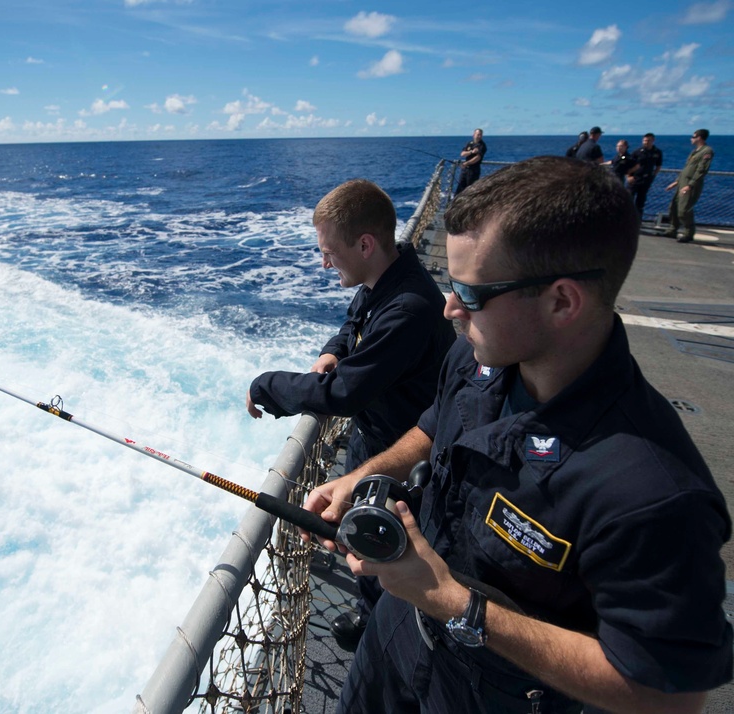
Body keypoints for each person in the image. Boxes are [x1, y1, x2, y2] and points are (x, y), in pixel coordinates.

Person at [302, 156, 732, 713]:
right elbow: (435, 427)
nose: (449, 307)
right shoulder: (476, 355)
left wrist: (453, 601)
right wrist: (363, 475)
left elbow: (663, 695)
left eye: (472, 293)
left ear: (561, 301)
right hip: (396, 638)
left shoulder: (652, 493)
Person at [247, 178, 455, 648]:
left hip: (400, 451)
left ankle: (386, 635)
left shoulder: (409, 307)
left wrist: (267, 385)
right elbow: (353, 321)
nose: (323, 262)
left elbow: (342, 393)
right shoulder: (386, 276)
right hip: (373, 433)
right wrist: (332, 350)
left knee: (388, 545)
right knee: (361, 536)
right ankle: (369, 612)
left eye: (329, 252)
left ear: (365, 244)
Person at [665, 128, 714, 243]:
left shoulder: (706, 151)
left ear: (699, 138)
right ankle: (673, 229)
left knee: (684, 209)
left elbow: (701, 170)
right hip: (682, 182)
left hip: (690, 184)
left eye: (693, 137)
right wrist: (676, 181)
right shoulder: (695, 152)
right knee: (674, 207)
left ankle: (688, 233)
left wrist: (690, 185)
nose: (691, 139)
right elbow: (687, 168)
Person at [626, 133, 663, 218]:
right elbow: (628, 165)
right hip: (635, 179)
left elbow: (658, 165)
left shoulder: (657, 152)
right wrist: (629, 176)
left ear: (653, 140)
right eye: (645, 140)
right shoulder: (637, 152)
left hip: (646, 180)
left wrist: (653, 175)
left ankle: (638, 220)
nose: (646, 142)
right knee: (629, 200)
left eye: (648, 140)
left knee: (640, 202)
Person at [456, 129, 487, 194]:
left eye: (480, 135)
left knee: (470, 190)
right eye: (478, 134)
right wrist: (471, 152)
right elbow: (462, 154)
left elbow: (478, 157)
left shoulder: (482, 145)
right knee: (460, 188)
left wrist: (467, 163)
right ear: (473, 135)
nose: (479, 136)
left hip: (473, 170)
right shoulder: (469, 143)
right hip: (465, 170)